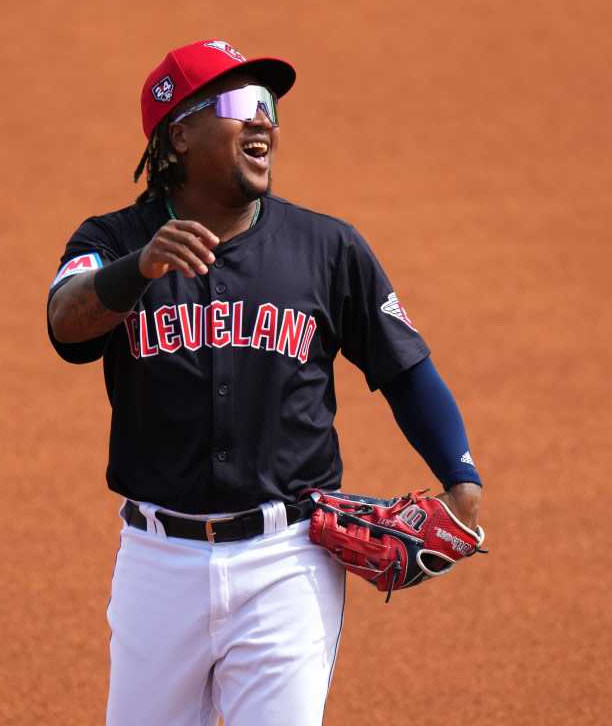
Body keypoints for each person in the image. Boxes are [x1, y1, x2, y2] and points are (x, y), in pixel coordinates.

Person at [45, 39, 484, 726]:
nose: (263, 121)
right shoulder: (110, 240)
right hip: (157, 563)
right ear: (179, 133)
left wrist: (461, 479)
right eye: (242, 103)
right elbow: (65, 323)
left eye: (269, 106)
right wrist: (139, 269)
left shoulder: (327, 248)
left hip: (288, 563)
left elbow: (405, 370)